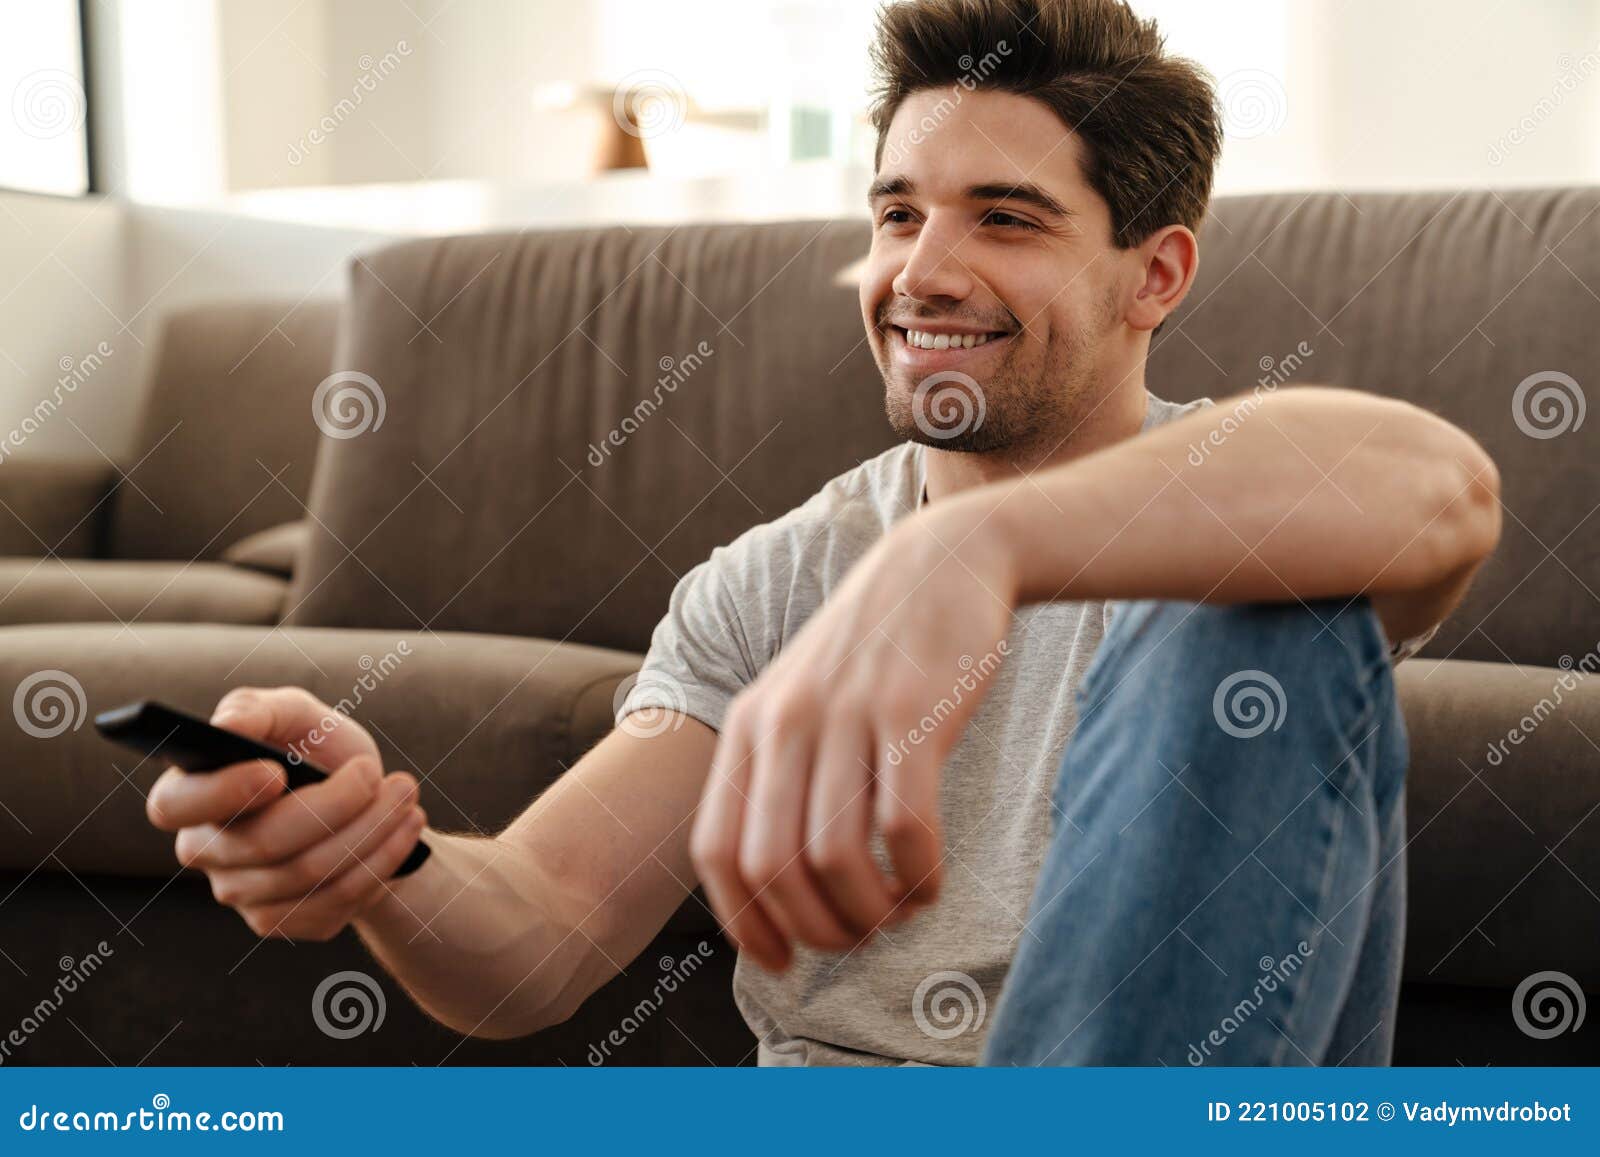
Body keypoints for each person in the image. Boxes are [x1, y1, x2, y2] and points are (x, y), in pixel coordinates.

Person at [145, 0, 1500, 1066]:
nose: (922, 269)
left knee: (1273, 598)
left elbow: (1439, 489)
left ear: (1155, 273)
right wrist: (380, 859)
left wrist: (970, 552)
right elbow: (541, 935)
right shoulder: (777, 576)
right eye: (899, 212)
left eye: (1005, 220)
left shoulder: (1259, 503)